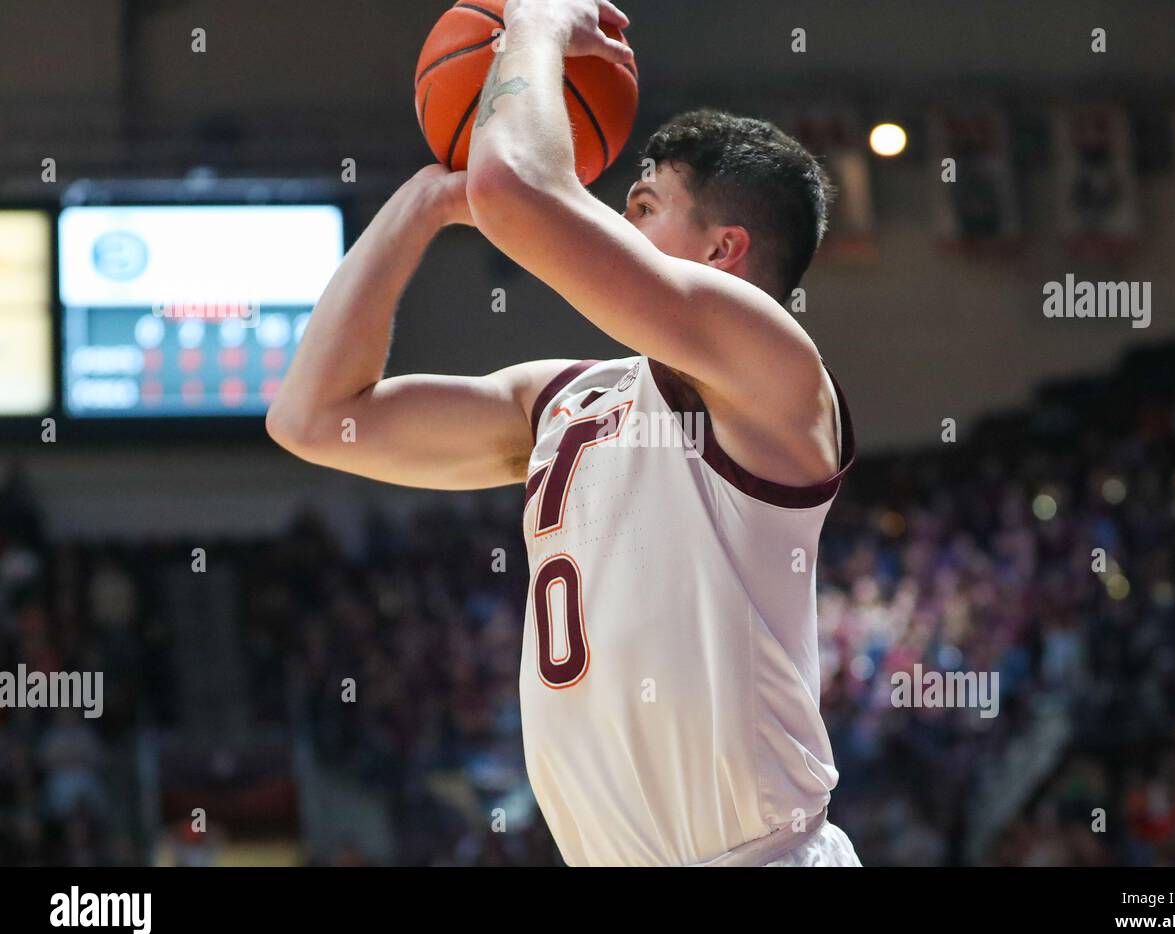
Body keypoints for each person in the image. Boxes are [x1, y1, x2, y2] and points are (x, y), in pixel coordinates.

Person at [268, 0, 859, 866]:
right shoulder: (565, 399)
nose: (622, 219)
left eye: (648, 203)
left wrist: (535, 25)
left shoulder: (774, 362)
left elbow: (518, 193)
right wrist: (420, 206)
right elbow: (314, 418)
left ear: (726, 250)